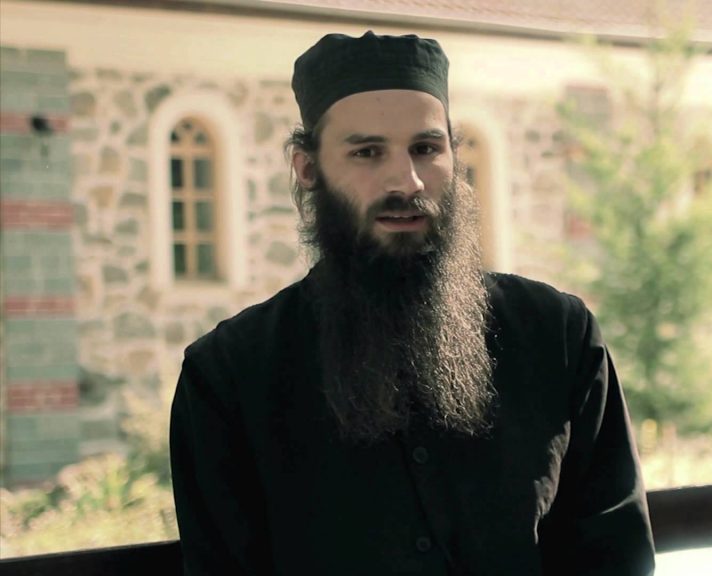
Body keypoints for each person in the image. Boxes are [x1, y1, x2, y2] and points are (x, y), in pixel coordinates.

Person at [169, 31, 656, 575]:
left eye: (426, 149)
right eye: (367, 152)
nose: (407, 181)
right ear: (308, 169)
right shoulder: (228, 375)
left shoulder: (558, 336)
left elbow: (615, 555)